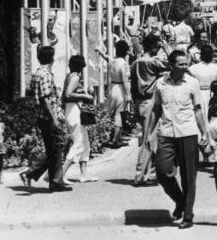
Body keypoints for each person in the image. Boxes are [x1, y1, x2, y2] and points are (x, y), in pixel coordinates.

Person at [142, 50, 212, 229]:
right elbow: (157, 109)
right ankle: (180, 201)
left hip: (188, 133)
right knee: (162, 171)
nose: (185, 67)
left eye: (186, 63)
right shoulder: (160, 83)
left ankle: (188, 216)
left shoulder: (192, 83)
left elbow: (198, 110)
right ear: (171, 65)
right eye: (181, 64)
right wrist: (149, 134)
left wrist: (205, 133)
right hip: (166, 133)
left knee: (189, 177)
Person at [19, 45, 71, 192]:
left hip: (42, 117)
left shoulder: (36, 73)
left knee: (53, 148)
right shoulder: (46, 75)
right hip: (49, 116)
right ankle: (53, 180)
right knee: (58, 147)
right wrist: (54, 118)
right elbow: (46, 99)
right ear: (52, 59)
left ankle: (49, 179)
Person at [131, 34, 169, 185]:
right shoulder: (153, 62)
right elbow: (173, 65)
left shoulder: (135, 63)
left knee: (148, 138)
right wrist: (167, 49)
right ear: (153, 47)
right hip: (151, 101)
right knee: (149, 139)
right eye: (158, 47)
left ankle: (151, 172)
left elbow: (133, 86)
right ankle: (139, 173)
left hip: (139, 101)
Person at [61, 54, 97, 184]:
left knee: (85, 142)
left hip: (71, 110)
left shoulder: (70, 76)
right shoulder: (75, 77)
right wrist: (85, 95)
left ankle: (84, 174)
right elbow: (68, 94)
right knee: (78, 143)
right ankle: (61, 173)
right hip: (74, 111)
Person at [96, 40, 132, 147]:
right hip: (120, 89)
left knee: (109, 113)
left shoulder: (112, 60)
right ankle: (116, 140)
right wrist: (128, 94)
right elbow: (125, 81)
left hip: (111, 87)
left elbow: (105, 56)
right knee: (119, 115)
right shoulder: (123, 64)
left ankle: (105, 136)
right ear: (126, 51)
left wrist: (99, 51)